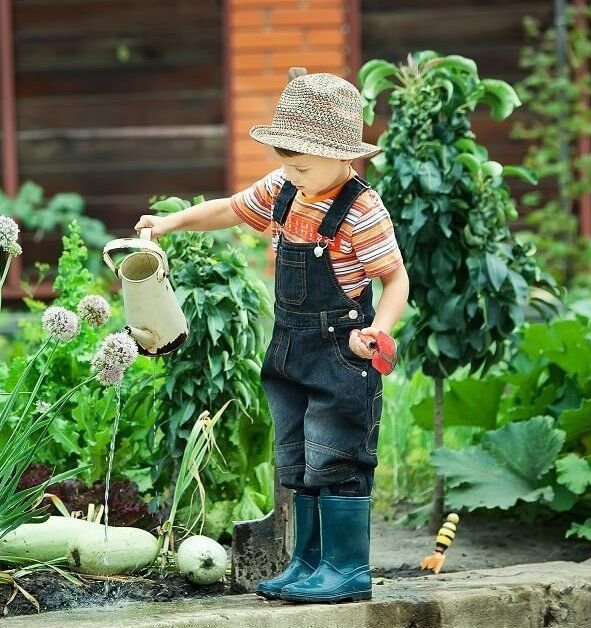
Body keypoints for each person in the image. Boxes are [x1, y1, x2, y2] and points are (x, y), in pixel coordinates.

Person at [134, 70, 410, 603]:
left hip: (341, 351)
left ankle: (346, 567)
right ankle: (307, 562)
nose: (291, 174)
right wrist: (171, 223)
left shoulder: (361, 210)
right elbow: (230, 209)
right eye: (286, 163)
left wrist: (379, 328)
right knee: (299, 457)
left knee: (338, 455)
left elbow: (395, 277)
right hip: (289, 349)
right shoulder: (286, 188)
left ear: (343, 157)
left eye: (301, 165)